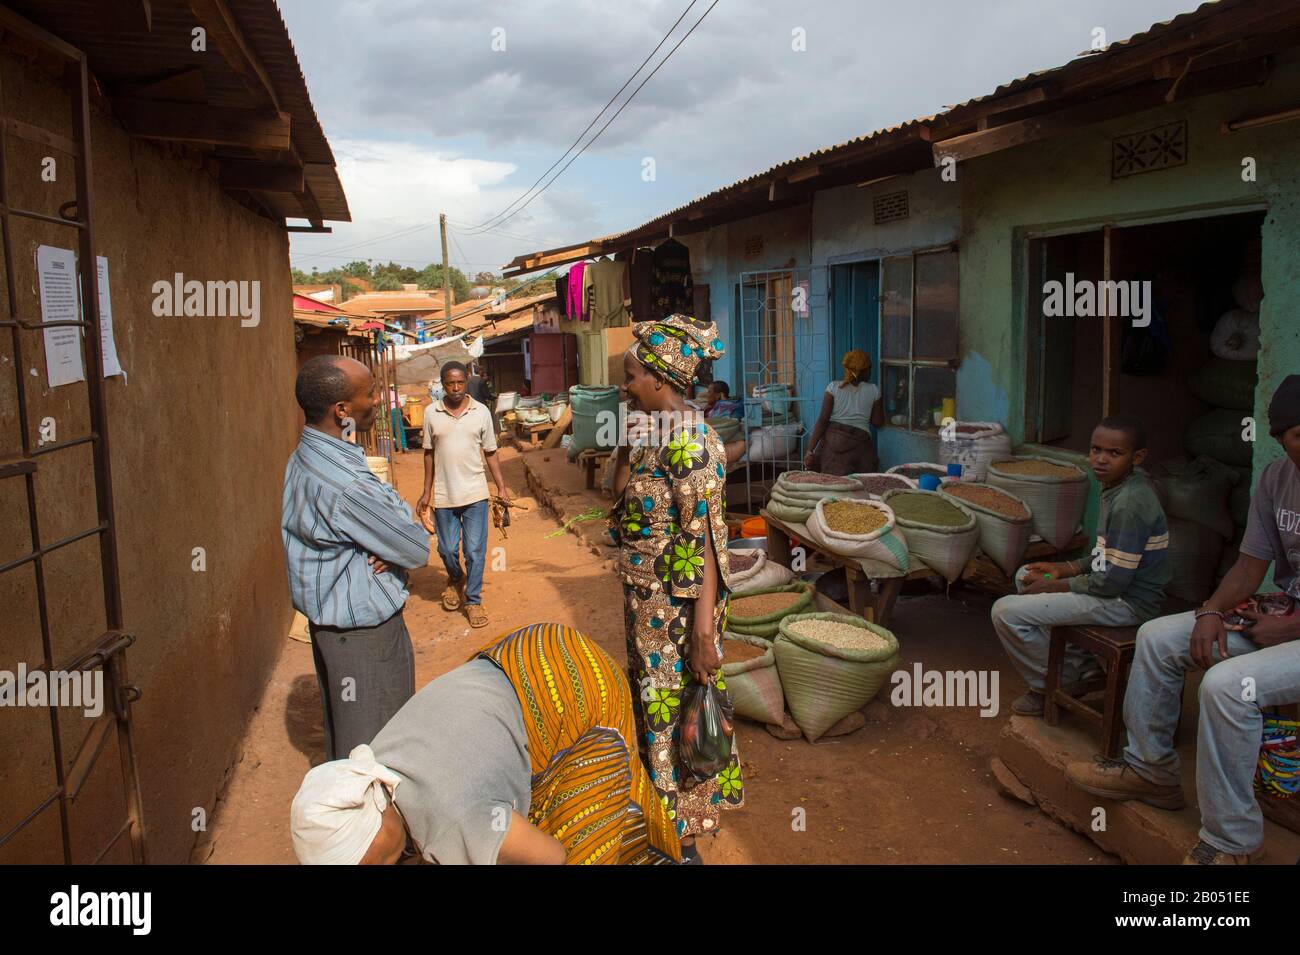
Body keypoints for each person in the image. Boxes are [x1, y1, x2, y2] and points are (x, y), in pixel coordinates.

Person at [1066, 377, 1300, 865]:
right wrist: (1211, 611)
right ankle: (1151, 770)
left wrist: (1293, 628)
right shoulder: (1277, 479)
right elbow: (1249, 566)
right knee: (1157, 635)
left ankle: (1230, 842)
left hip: (1293, 626)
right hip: (1282, 610)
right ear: (1280, 437)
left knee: (1228, 687)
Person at [290, 623, 680, 865]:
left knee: (584, 837)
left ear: (375, 827)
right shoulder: (376, 763)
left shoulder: (454, 822)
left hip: (574, 688)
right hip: (523, 654)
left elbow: (552, 858)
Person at [610, 313, 743, 864]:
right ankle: (667, 837)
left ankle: (683, 848)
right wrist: (624, 443)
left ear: (660, 379)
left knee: (677, 726)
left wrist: (703, 634)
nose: (624, 386)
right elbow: (617, 503)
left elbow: (707, 543)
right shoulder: (651, 439)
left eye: (631, 377)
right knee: (653, 718)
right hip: (647, 613)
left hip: (679, 619)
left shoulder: (695, 443)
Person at [282, 355, 431, 761]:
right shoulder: (345, 483)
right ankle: (372, 826)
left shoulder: (310, 455)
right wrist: (391, 543)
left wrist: (383, 542)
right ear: (342, 410)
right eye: (370, 393)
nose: (379, 401)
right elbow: (417, 547)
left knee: (351, 741)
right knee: (375, 757)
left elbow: (393, 538)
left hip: (335, 631)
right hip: (365, 637)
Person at [990, 415, 1170, 716]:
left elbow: (1113, 581)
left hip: (1128, 603)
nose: (1101, 459)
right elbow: (1108, 557)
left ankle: (1048, 684)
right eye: (1096, 449)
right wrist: (1066, 568)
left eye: (1114, 453)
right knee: (1026, 575)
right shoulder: (1116, 487)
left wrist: (1057, 585)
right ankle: (1084, 669)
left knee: (1005, 613)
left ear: (1137, 457)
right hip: (1113, 589)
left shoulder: (1130, 503)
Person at [417, 360, 510, 630]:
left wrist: (501, 488)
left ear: (466, 381)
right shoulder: (431, 413)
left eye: (460, 382)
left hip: (475, 493)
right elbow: (428, 453)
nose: (456, 388)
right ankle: (456, 578)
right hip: (445, 496)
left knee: (475, 551)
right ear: (442, 384)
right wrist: (426, 492)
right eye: (450, 383)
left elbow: (491, 452)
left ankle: (472, 600)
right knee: (446, 549)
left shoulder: (481, 412)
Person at [803, 349, 884, 474]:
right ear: (863, 371)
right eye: (869, 368)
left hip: (831, 444)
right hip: (860, 448)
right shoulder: (873, 390)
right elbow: (877, 422)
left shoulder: (833, 388)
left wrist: (810, 450)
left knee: (828, 484)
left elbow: (823, 421)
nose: (871, 371)